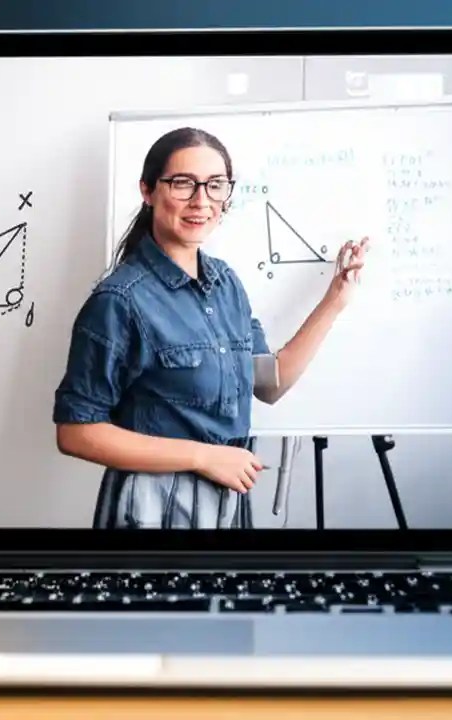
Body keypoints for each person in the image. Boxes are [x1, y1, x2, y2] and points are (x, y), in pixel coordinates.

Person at [52, 127, 368, 529]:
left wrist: (335, 300)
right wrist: (204, 456)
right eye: (183, 184)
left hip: (227, 501)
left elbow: (270, 384)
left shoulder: (226, 284)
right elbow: (76, 432)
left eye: (216, 185)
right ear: (148, 191)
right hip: (149, 507)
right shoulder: (119, 300)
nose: (202, 201)